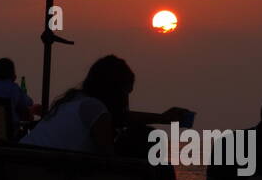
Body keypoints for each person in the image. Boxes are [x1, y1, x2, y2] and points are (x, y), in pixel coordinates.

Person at [21, 54, 190, 155]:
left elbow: (120, 118)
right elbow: (108, 162)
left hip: (21, 172)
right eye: (126, 92)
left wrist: (162, 118)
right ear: (117, 91)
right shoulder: (95, 110)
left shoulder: (73, 101)